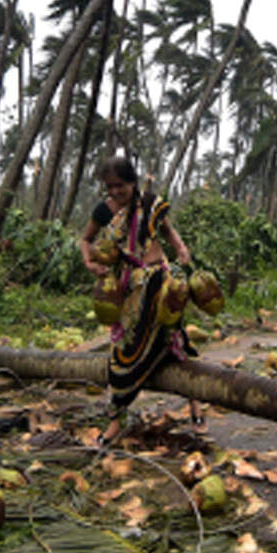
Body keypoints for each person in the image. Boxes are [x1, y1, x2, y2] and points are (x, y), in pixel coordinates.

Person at [79, 156, 203, 443]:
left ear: (132, 182)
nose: (115, 192)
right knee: (124, 352)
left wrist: (181, 248)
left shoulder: (149, 203)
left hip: (161, 283)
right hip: (129, 290)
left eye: (120, 185)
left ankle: (196, 409)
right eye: (110, 187)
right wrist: (89, 262)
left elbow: (167, 230)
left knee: (175, 341)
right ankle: (116, 421)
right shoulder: (104, 210)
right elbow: (86, 239)